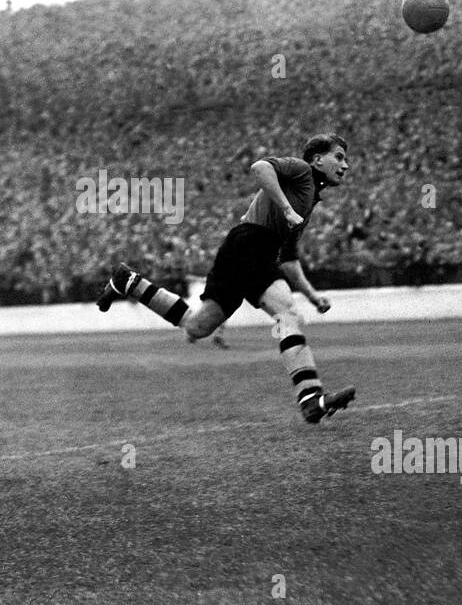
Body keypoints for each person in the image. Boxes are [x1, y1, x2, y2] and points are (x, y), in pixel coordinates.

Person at [96, 134, 356, 424]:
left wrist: (311, 294)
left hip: (258, 250)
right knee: (286, 313)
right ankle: (310, 398)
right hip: (248, 244)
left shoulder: (308, 199)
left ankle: (129, 281)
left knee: (197, 327)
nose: (345, 165)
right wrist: (285, 208)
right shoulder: (301, 170)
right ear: (318, 159)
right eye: (339, 157)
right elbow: (260, 167)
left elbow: (290, 257)